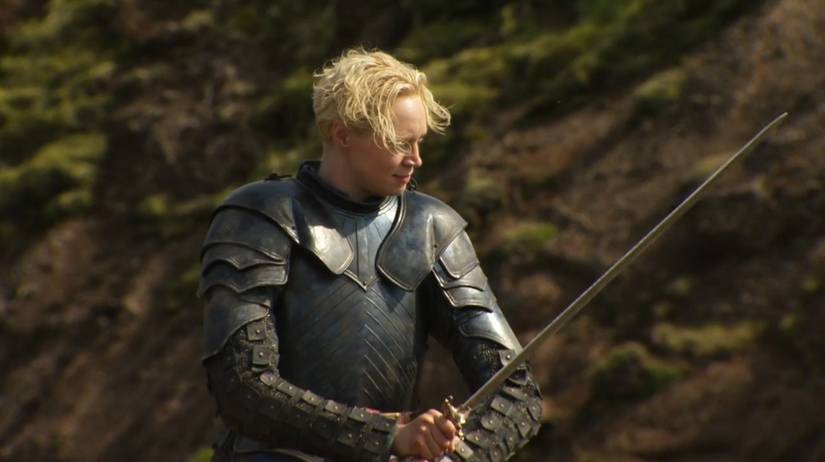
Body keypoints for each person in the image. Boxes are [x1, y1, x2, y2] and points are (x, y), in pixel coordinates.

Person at [198, 48, 542, 462]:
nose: (416, 159)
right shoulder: (261, 217)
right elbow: (241, 387)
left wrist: (458, 456)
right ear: (342, 135)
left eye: (418, 142)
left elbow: (516, 391)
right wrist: (386, 437)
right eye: (399, 143)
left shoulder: (431, 227)